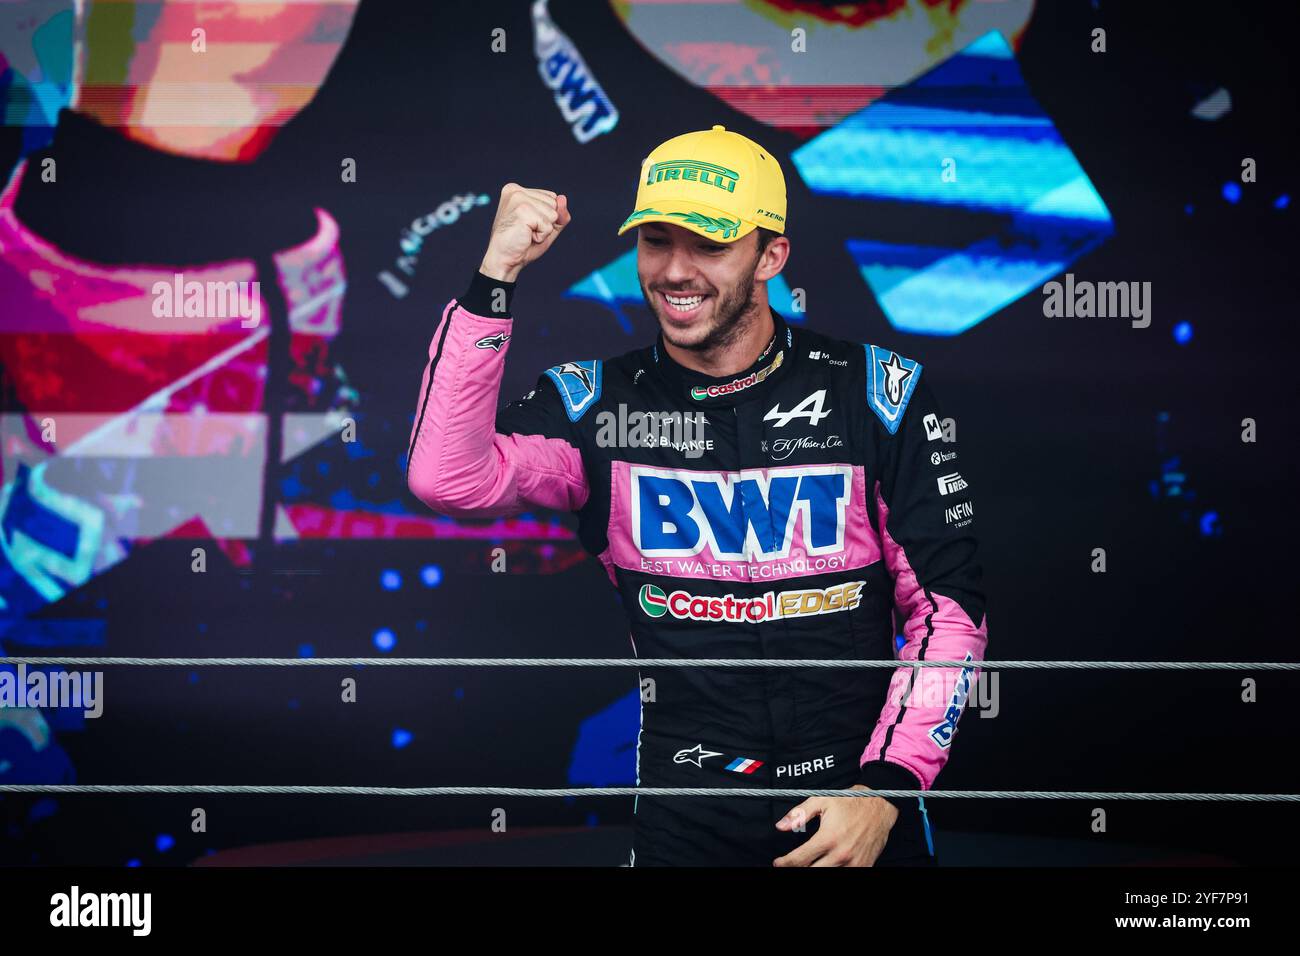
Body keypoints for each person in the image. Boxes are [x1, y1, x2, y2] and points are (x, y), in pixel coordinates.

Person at [406, 125, 988, 867]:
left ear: (771, 255)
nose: (675, 271)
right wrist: (496, 274)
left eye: (709, 244)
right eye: (656, 241)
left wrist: (887, 788)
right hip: (688, 812)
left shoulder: (877, 390)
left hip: (858, 804)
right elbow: (446, 478)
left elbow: (948, 611)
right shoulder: (593, 403)